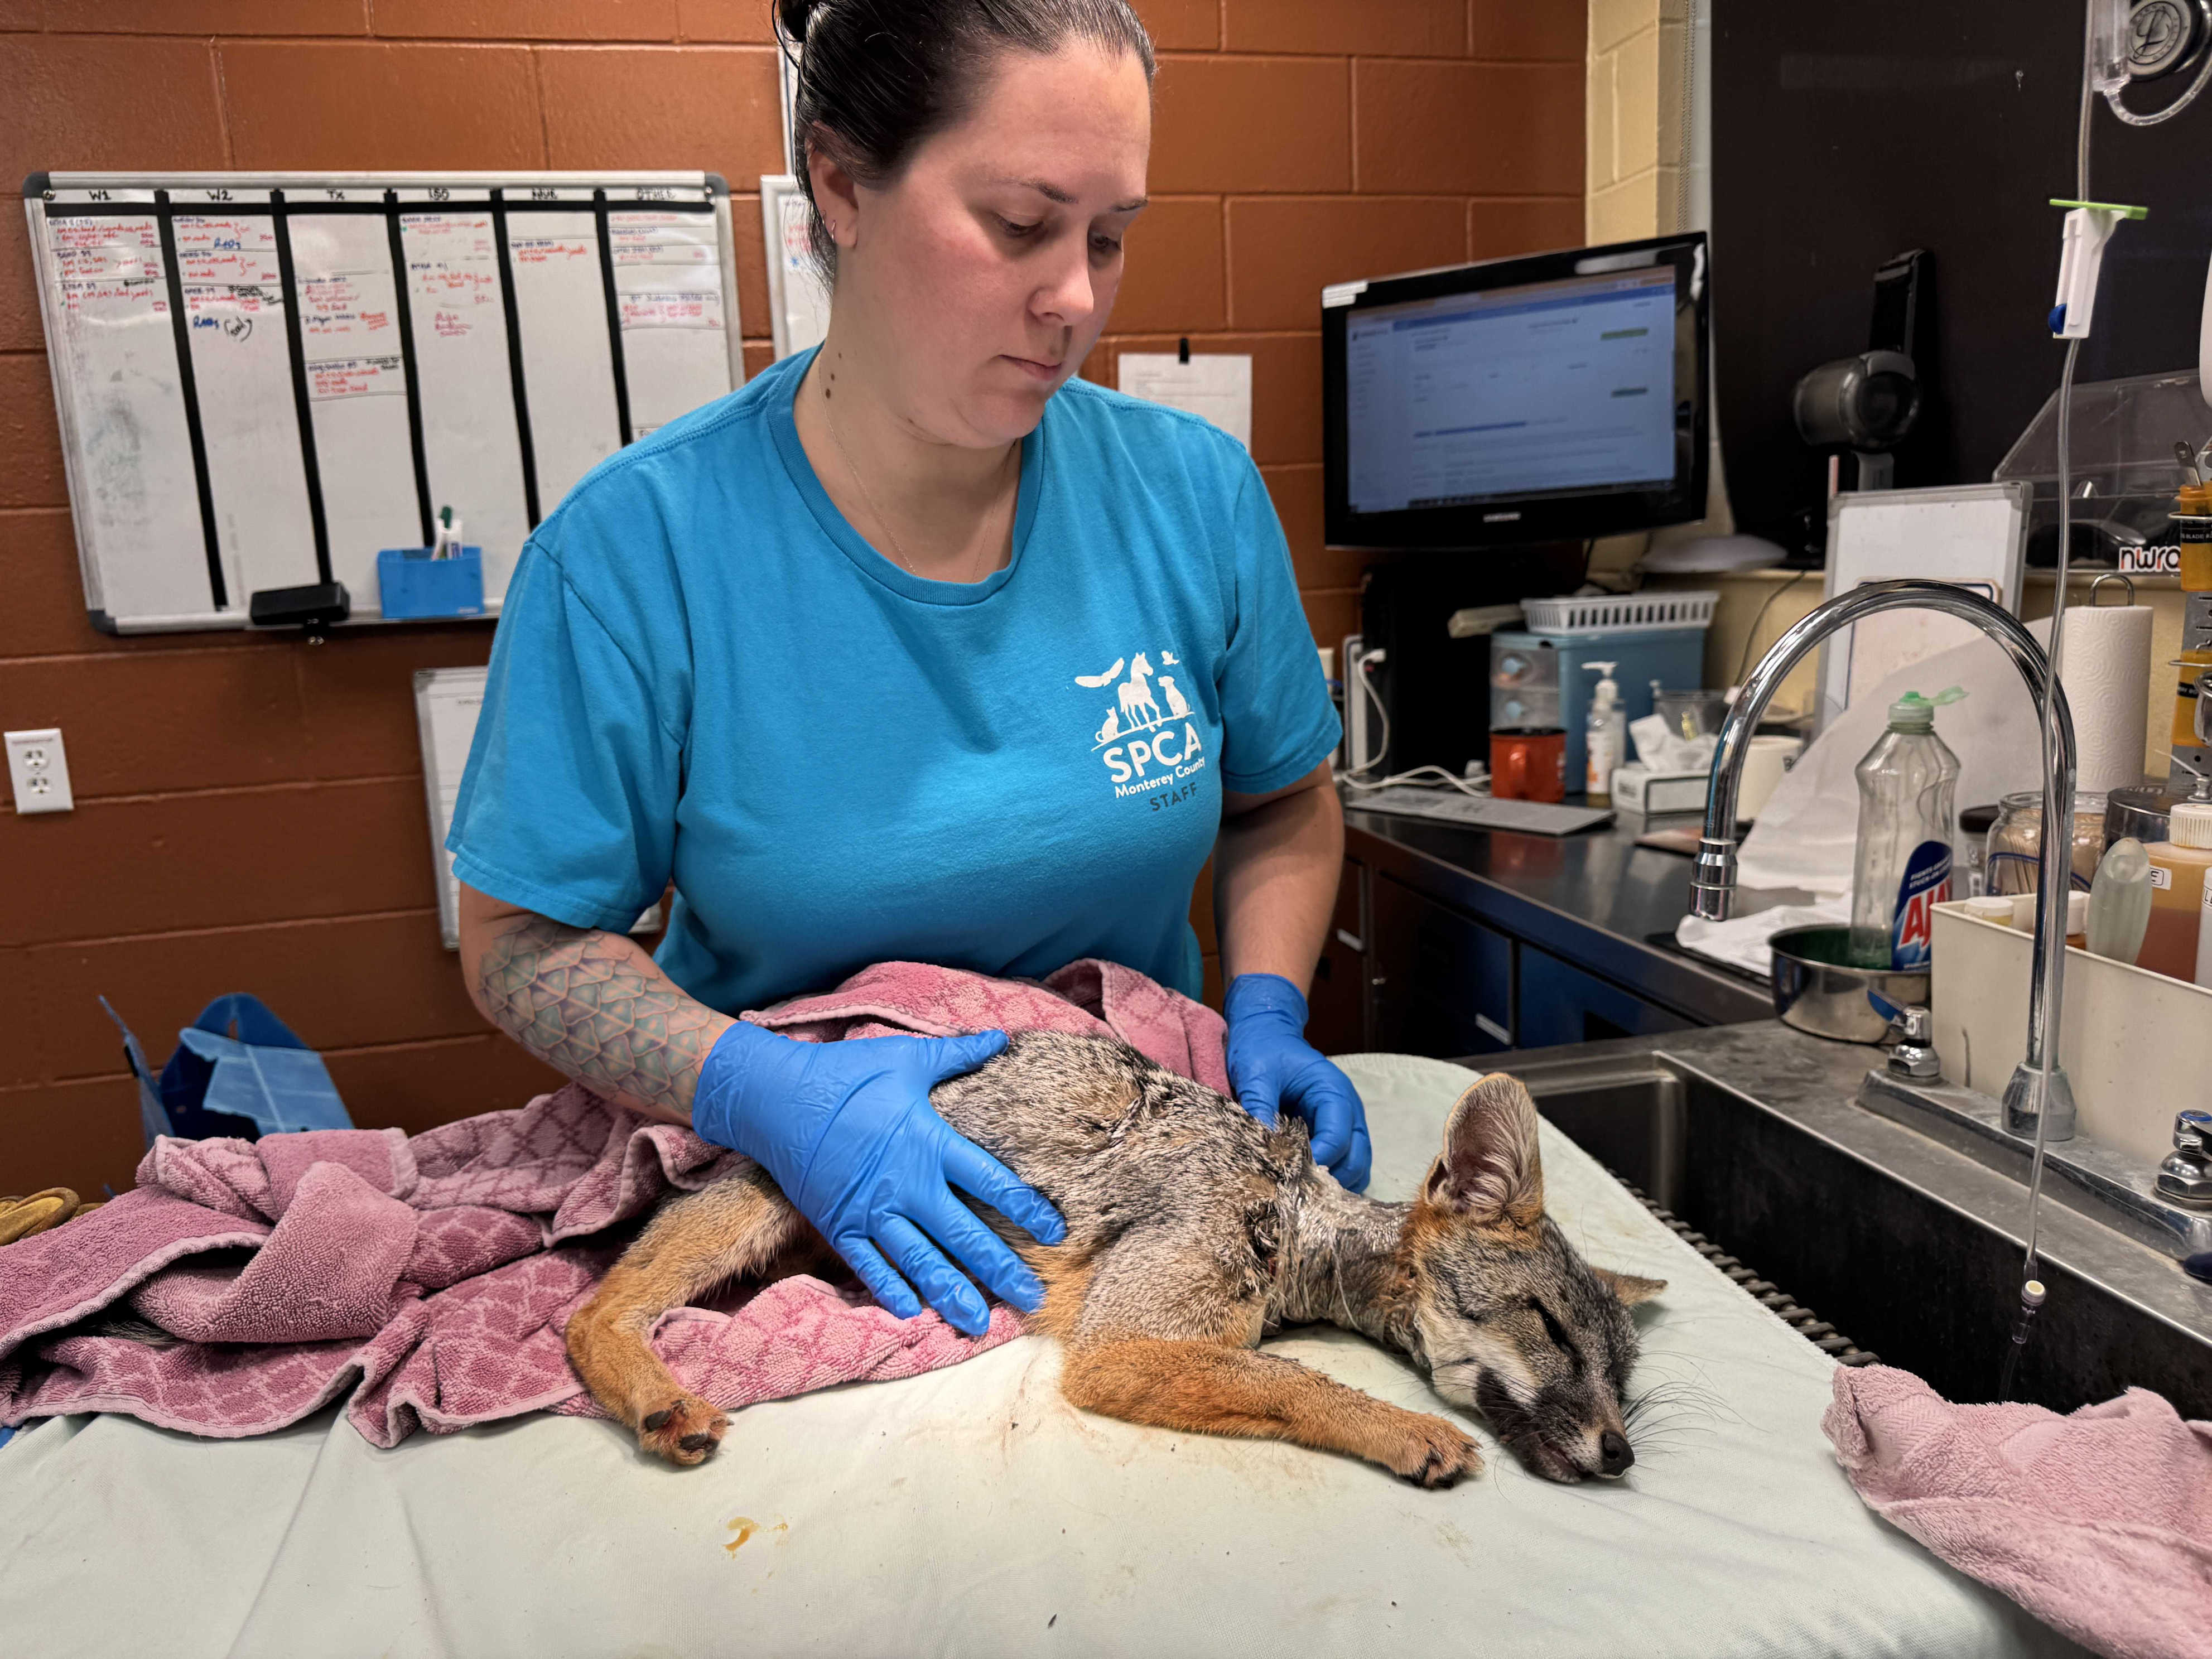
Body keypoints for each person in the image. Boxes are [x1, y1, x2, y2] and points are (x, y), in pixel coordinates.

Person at [449, 0, 1368, 1340]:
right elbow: (520, 944)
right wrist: (758, 1088)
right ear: (841, 185)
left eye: (1110, 237)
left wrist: (1269, 1007)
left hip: (1125, 1200)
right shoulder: (637, 551)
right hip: (808, 1201)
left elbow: (1282, 798)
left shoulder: (1193, 498)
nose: (1075, 296)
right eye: (1019, 223)